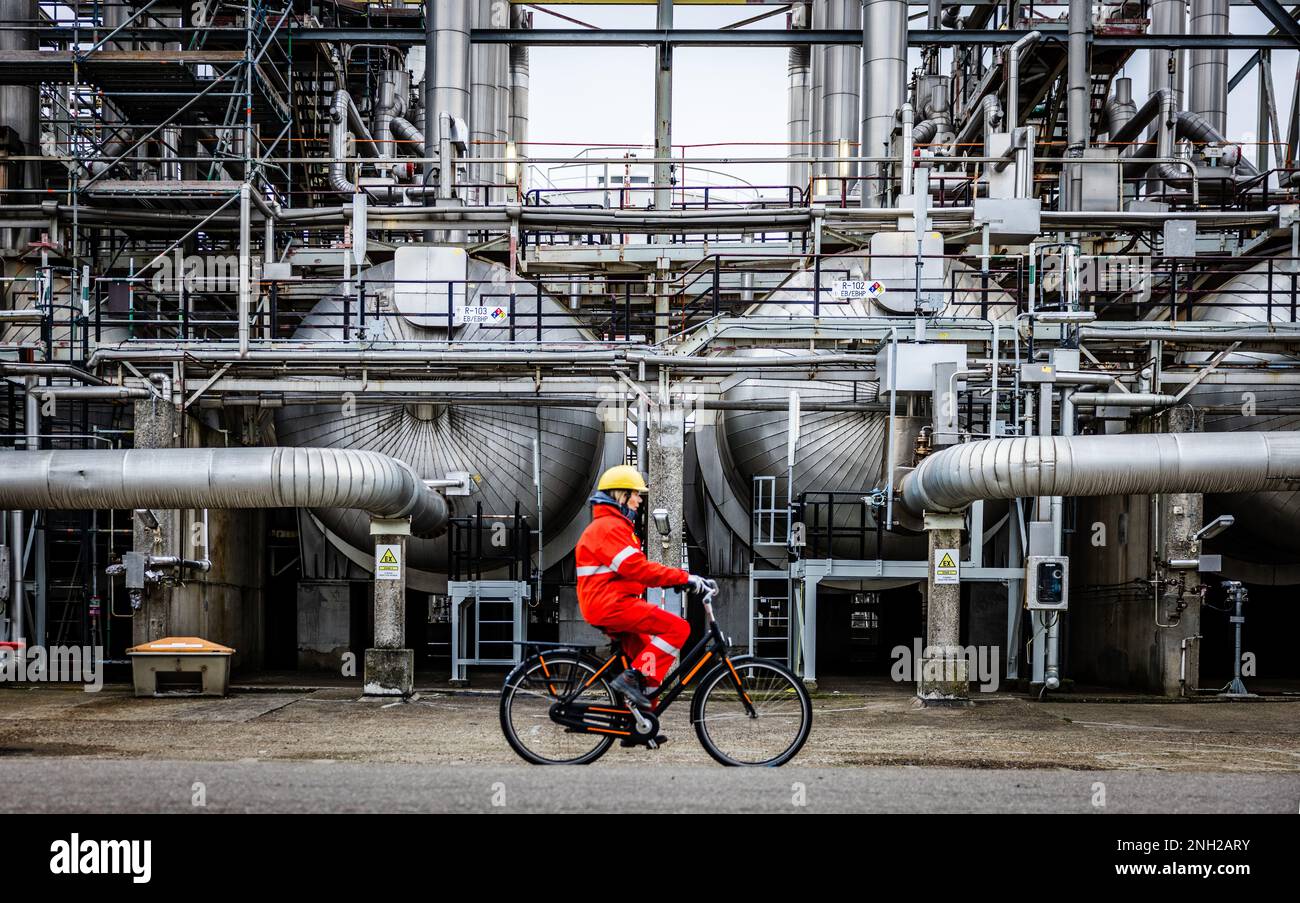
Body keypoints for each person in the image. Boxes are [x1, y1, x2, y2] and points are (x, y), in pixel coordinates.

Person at [575, 465, 712, 716]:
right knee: (678, 628)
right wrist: (684, 578)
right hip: (612, 605)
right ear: (621, 495)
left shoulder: (613, 526)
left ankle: (638, 723)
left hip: (611, 602)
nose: (640, 500)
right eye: (636, 494)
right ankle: (629, 681)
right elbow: (637, 569)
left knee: (647, 674)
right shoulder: (609, 528)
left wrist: (681, 579)